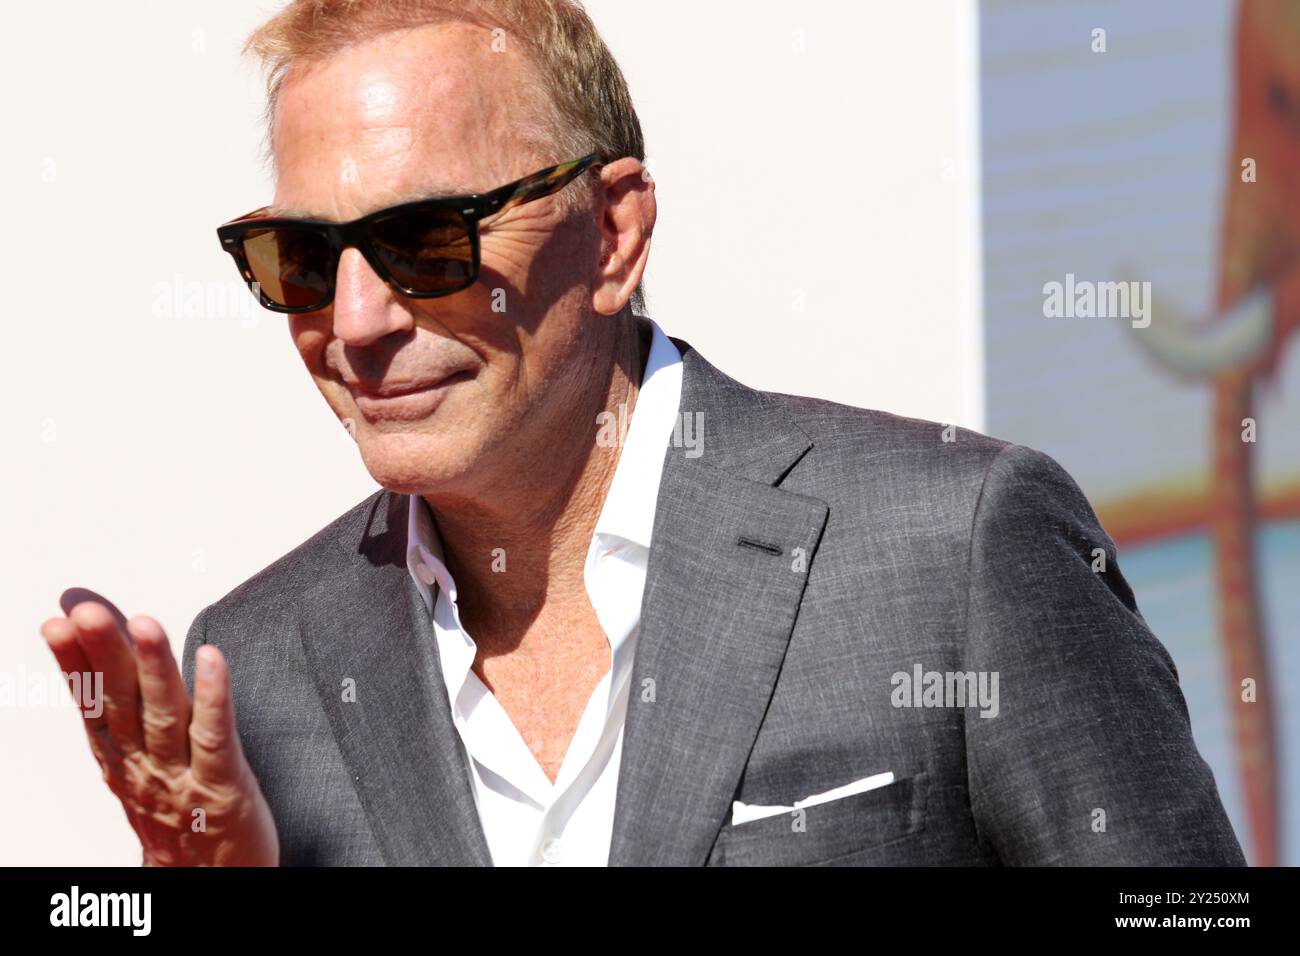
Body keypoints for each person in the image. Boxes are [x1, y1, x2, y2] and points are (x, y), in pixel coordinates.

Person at [40, 0, 1245, 866]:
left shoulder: (953, 547)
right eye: (301, 258)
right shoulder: (255, 668)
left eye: (428, 243)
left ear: (613, 233)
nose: (355, 321)